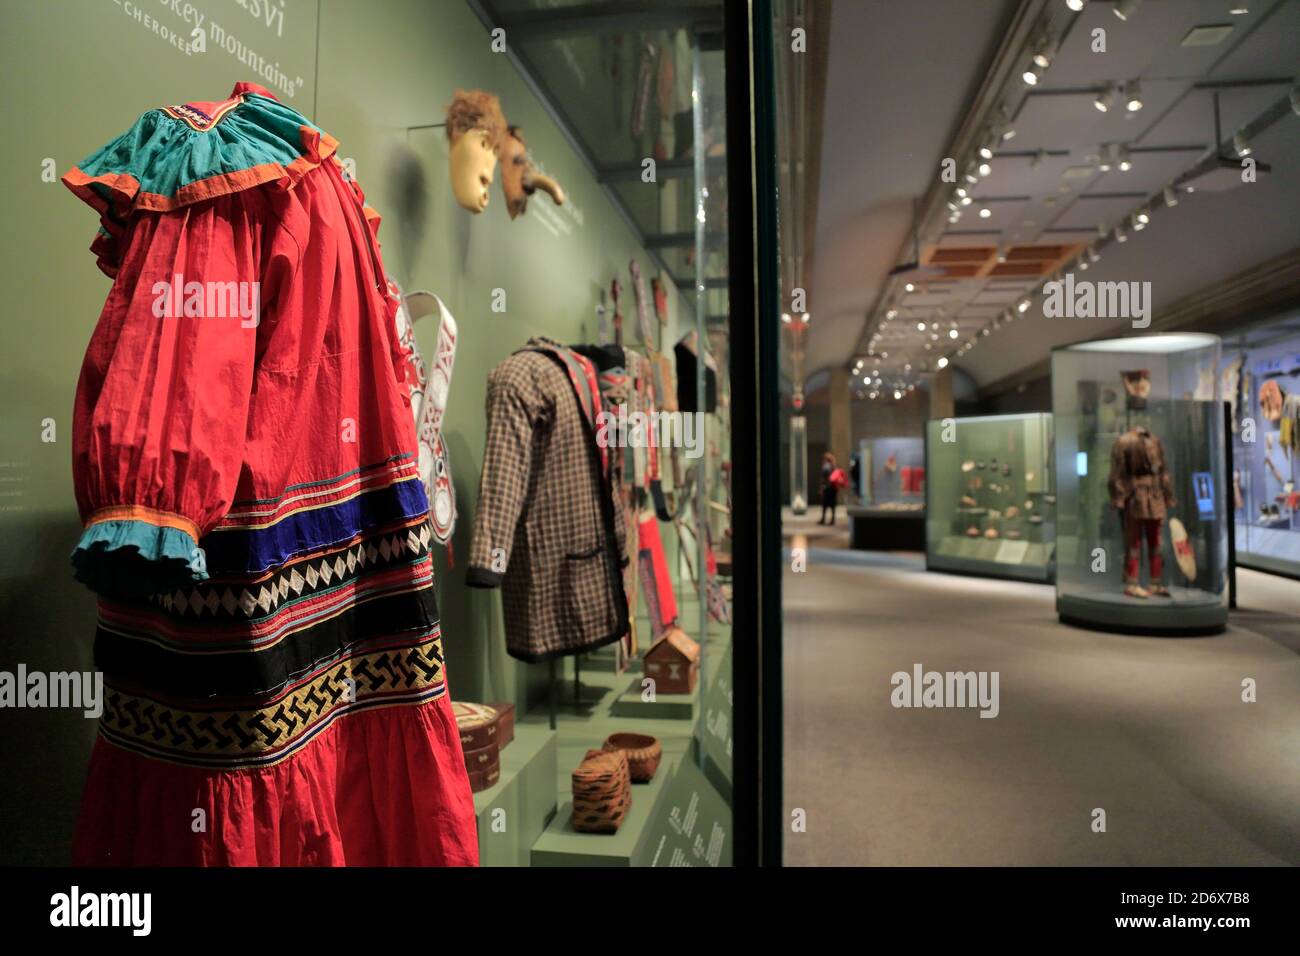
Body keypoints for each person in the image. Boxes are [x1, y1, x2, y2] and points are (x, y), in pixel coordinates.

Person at [819, 451, 840, 525]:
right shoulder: (834, 466)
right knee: (832, 504)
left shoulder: (826, 466)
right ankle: (832, 519)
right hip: (834, 488)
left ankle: (823, 519)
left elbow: (824, 478)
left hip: (827, 488)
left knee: (825, 504)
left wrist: (822, 487)